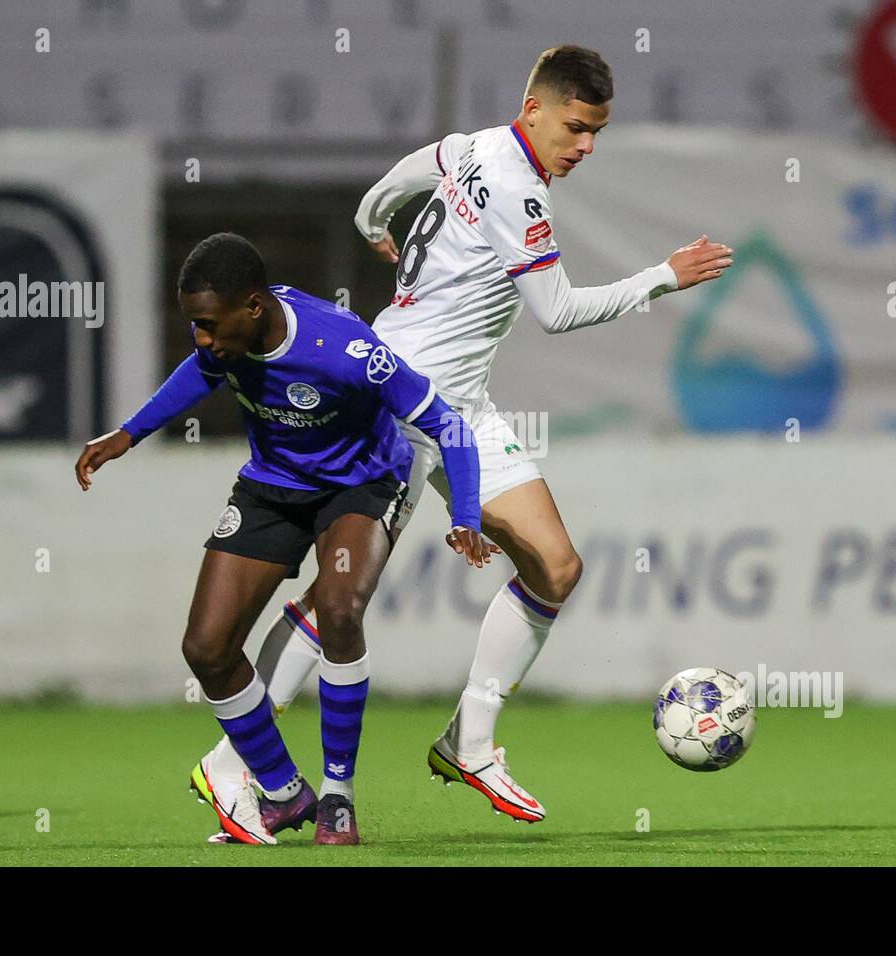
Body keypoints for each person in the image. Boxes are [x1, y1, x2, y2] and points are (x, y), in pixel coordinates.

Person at [193, 44, 733, 829]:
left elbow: (412, 169)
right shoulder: (520, 192)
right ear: (536, 109)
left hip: (463, 403)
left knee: (555, 566)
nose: (586, 146)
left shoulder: (480, 144)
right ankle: (231, 765)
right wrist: (663, 276)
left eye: (598, 133)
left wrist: (371, 216)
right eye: (577, 128)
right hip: (399, 402)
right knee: (340, 602)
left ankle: (469, 741)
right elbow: (558, 312)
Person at [75, 233, 493, 845]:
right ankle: (281, 792)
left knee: (339, 610)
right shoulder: (224, 339)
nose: (203, 339)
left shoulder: (346, 349)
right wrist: (128, 434)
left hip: (361, 487)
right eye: (195, 325)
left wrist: (468, 515)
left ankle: (338, 797)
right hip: (271, 488)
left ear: (254, 305)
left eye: (211, 325)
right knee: (207, 648)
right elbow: (200, 372)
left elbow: (446, 424)